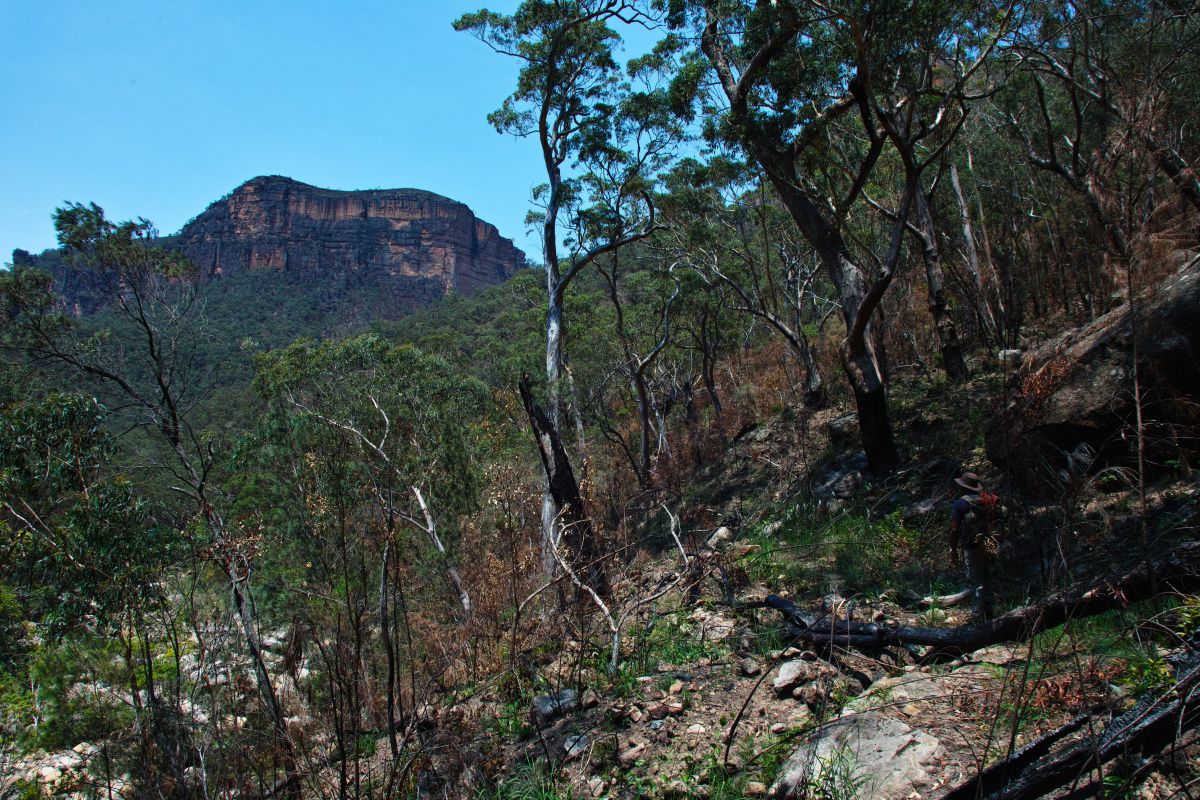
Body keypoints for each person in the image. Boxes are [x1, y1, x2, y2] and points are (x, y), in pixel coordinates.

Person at [949, 471, 997, 621]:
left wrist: (953, 548)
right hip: (992, 543)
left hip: (973, 545)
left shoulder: (960, 504)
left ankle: (977, 616)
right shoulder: (990, 499)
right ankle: (989, 611)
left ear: (963, 487)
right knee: (988, 577)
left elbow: (955, 529)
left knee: (976, 580)